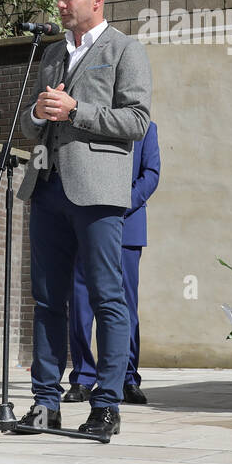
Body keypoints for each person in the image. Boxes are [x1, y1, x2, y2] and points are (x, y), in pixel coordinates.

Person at [16, 0, 152, 440]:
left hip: (97, 193)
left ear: (96, 0)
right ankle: (44, 403)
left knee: (106, 297)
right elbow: (33, 126)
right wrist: (37, 113)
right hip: (47, 188)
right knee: (48, 300)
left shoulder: (125, 50)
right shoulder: (52, 54)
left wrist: (78, 111)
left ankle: (107, 404)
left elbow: (136, 121)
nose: (59, 4)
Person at [65, 120, 160, 405]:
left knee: (126, 305)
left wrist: (121, 202)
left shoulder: (146, 128)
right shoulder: (89, 121)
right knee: (81, 303)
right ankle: (82, 377)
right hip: (87, 222)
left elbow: (152, 173)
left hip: (127, 225)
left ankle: (127, 378)